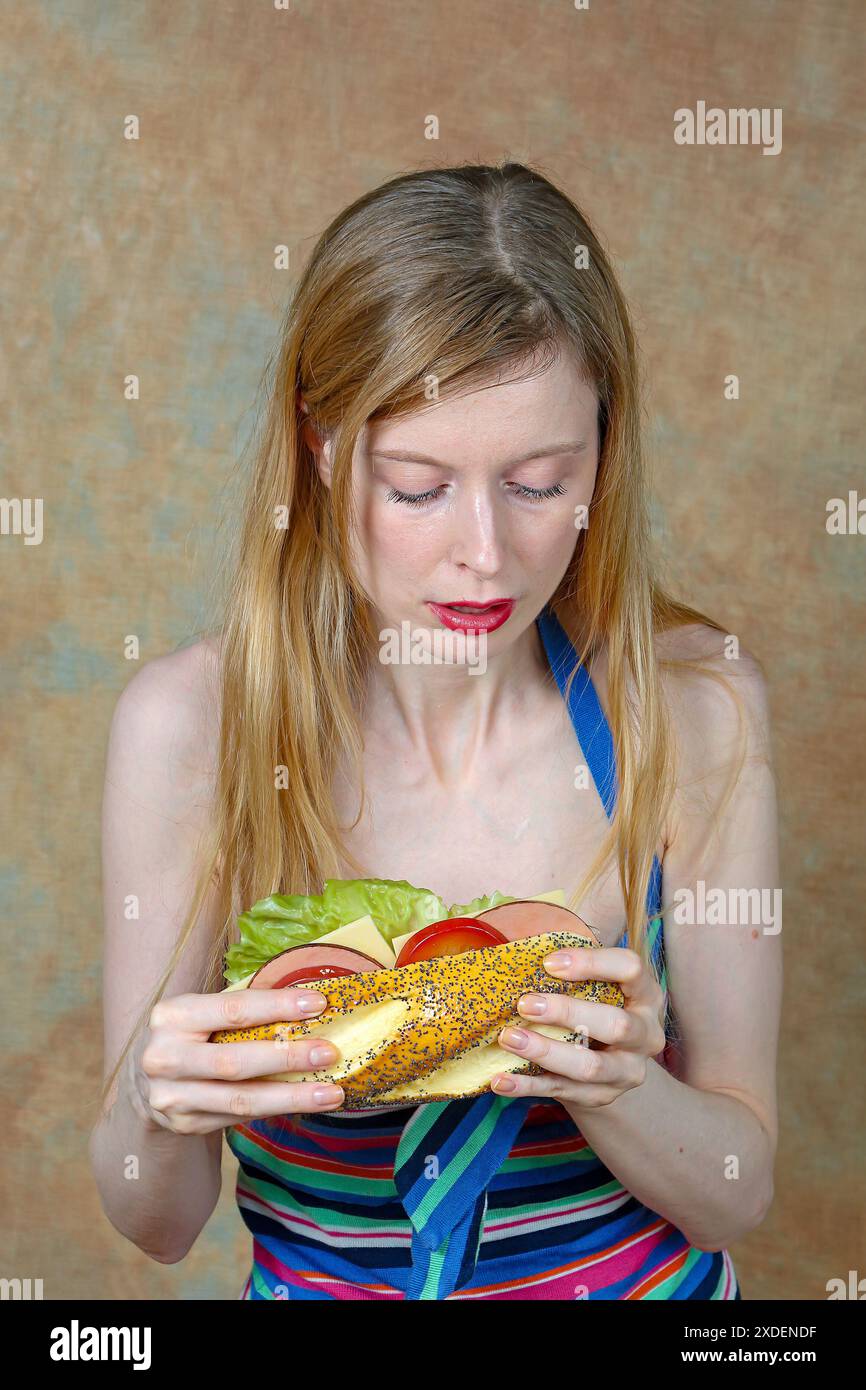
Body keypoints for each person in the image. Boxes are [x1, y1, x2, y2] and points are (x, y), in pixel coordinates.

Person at [89, 161, 781, 1299]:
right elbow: (154, 1222)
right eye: (415, 485)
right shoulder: (193, 727)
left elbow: (735, 1189)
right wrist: (154, 1108)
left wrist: (621, 1088)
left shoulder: (694, 710)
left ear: (602, 453)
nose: (485, 554)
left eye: (537, 480)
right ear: (318, 449)